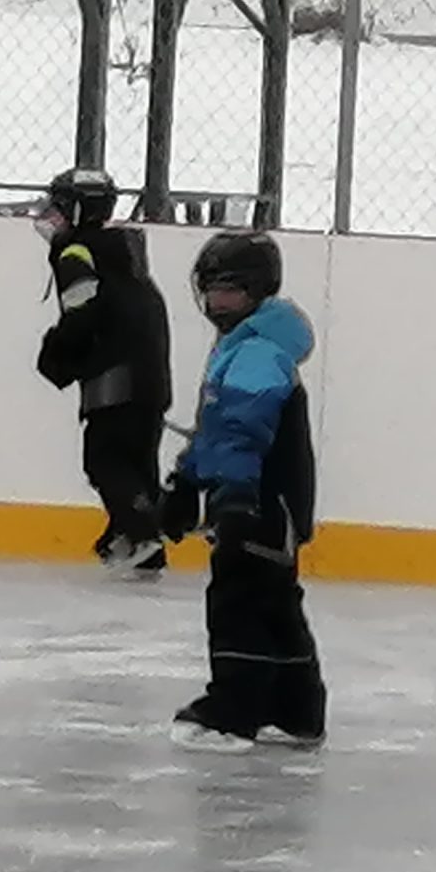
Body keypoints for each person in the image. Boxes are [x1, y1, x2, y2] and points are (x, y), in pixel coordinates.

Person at [159, 230, 326, 753]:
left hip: (256, 502)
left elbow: (240, 431)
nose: (217, 302)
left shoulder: (256, 352)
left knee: (238, 602)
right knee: (275, 602)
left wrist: (231, 498)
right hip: (270, 503)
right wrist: (187, 481)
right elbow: (216, 431)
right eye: (211, 290)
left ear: (258, 292)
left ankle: (233, 711)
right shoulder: (248, 344)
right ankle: (298, 712)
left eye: (231, 291)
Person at [32, 167, 173, 577]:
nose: (49, 215)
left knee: (104, 459)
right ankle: (131, 540)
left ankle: (142, 534)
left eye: (57, 206)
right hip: (151, 378)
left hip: (115, 380)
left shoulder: (76, 253)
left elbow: (82, 314)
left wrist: (55, 355)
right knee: (138, 461)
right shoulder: (125, 257)